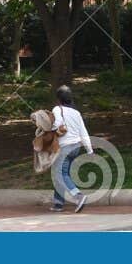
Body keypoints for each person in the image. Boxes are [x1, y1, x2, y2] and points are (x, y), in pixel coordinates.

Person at [49, 84, 93, 213]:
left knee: (59, 174)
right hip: (76, 148)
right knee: (63, 173)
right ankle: (58, 203)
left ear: (58, 98)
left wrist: (49, 129)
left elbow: (56, 124)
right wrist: (89, 149)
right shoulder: (76, 112)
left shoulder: (57, 109)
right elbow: (83, 131)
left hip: (64, 147)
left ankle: (78, 196)